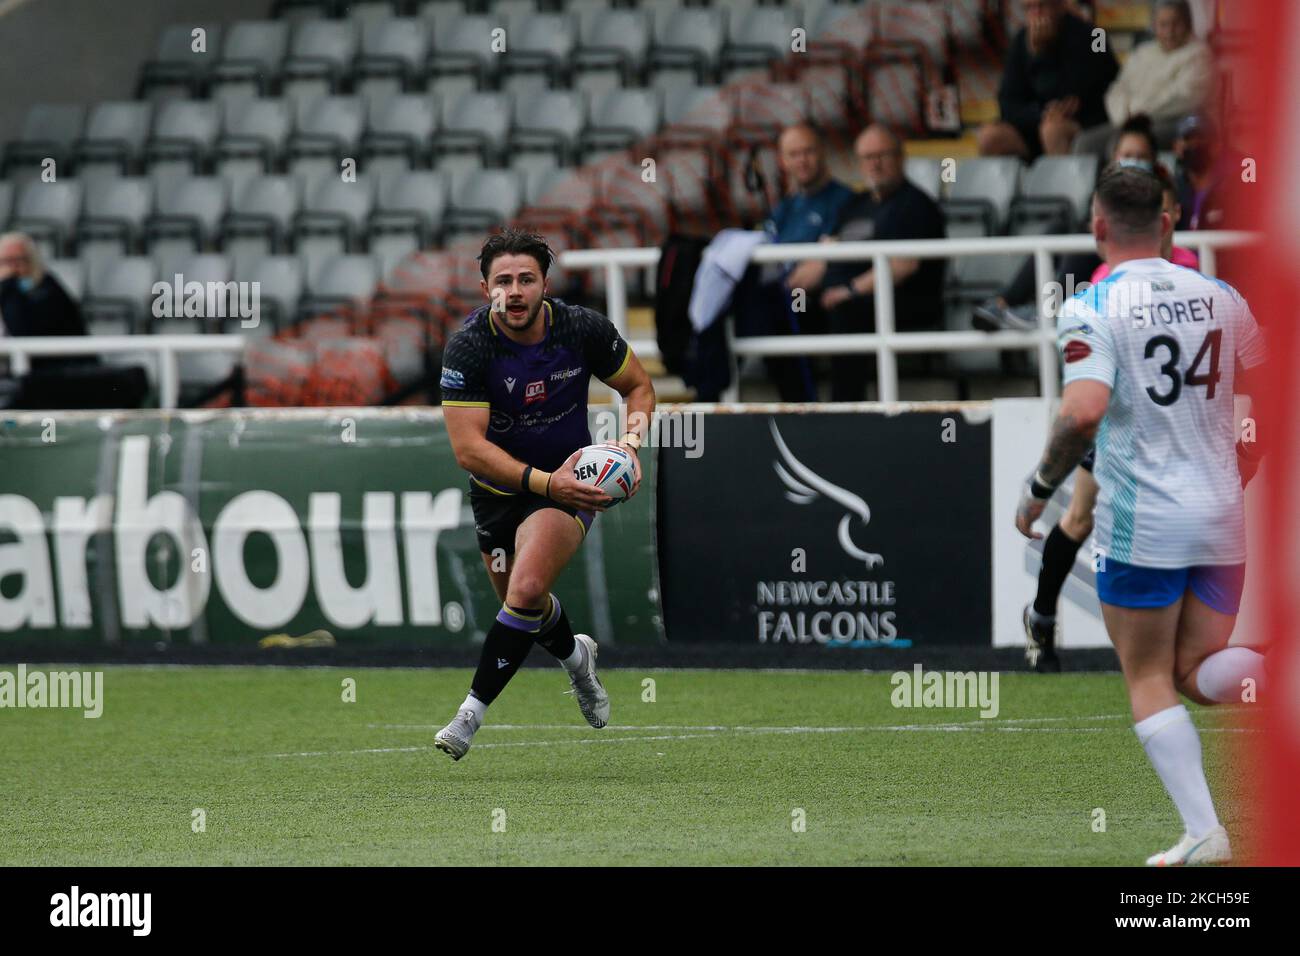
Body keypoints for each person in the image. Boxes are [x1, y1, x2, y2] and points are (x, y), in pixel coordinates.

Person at [1015, 166, 1268, 864]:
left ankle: (1204, 833)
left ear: (1097, 226)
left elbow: (1083, 409)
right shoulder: (1219, 294)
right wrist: (1253, 458)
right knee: (1198, 668)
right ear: (1169, 221)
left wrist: (1040, 486)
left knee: (1150, 676)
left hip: (1142, 522)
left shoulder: (1093, 305)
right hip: (1221, 515)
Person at [432, 229, 657, 761]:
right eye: (503, 281)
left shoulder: (580, 329)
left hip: (568, 484)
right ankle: (577, 658)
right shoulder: (469, 347)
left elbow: (639, 388)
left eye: (525, 279)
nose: (514, 291)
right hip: (498, 489)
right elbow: (469, 450)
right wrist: (541, 480)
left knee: (527, 587)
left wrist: (628, 444)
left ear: (544, 285)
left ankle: (469, 714)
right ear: (485, 287)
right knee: (522, 604)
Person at [1022, 168, 1198, 672]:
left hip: (1174, 428)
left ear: (1171, 217)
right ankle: (1042, 617)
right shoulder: (1108, 279)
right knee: (1079, 517)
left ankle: (1175, 644)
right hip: (1118, 422)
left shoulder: (1193, 271)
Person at [973, 114, 1161, 333]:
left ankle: (1049, 310)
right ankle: (1003, 303)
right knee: (1059, 230)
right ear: (1113, 157)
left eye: (1141, 156)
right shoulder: (1106, 190)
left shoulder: (1161, 190)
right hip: (1106, 250)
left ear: (1154, 161)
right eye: (1127, 155)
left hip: (1136, 255)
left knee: (1080, 243)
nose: (1134, 161)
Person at [815, 124, 946, 401]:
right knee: (787, 309)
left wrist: (849, 290)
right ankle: (791, 406)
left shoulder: (916, 205)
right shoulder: (855, 204)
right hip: (848, 295)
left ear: (900, 158)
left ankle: (845, 408)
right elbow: (828, 249)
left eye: (882, 156)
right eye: (867, 157)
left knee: (846, 311)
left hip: (903, 300)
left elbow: (903, 265)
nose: (874, 164)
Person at [733, 123, 854, 401]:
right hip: (779, 300)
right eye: (794, 154)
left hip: (817, 305)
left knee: (781, 315)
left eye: (808, 151)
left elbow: (819, 267)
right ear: (783, 161)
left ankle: (801, 408)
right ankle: (712, 398)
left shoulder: (845, 201)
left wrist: (817, 266)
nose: (802, 160)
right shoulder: (784, 208)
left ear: (822, 153)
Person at [978, 0, 1118, 159]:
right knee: (990, 136)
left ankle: (1061, 183)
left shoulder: (1093, 35)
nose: (1036, 14)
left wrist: (1043, 56)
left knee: (1052, 130)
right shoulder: (1020, 40)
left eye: (1041, 6)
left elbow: (1076, 95)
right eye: (1029, 8)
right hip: (1035, 125)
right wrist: (1040, 113)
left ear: (1059, 5)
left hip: (1083, 125)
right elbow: (1007, 104)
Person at [1073, 0, 1212, 158]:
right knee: (1084, 143)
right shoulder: (1142, 53)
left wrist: (1135, 111)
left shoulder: (1199, 54)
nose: (1170, 31)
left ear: (1188, 23)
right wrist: (1122, 115)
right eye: (1163, 24)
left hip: (1171, 123)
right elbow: (1118, 89)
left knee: (1118, 143)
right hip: (1127, 121)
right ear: (1154, 26)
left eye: (1176, 23)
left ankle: (1126, 181)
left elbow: (1181, 98)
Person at [0, 231, 91, 371]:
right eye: (6, 262)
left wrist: (8, 284)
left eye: (19, 260)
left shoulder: (47, 289)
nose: (13, 268)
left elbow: (23, 332)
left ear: (32, 261)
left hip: (60, 370)